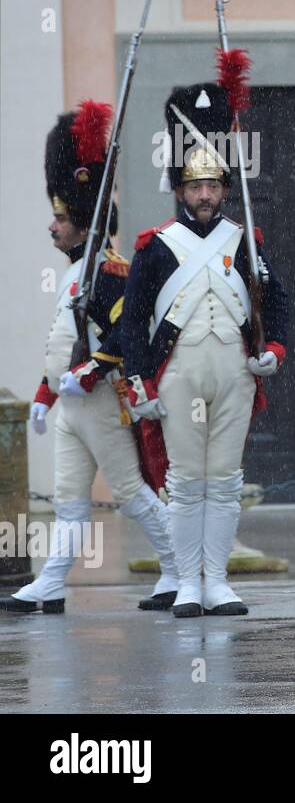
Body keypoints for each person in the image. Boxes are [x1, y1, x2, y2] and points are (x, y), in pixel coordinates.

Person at [118, 62, 289, 619]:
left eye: (213, 184)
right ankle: (187, 581)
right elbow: (133, 320)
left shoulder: (245, 240)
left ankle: (217, 581)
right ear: (182, 189)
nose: (206, 194)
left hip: (235, 375)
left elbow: (279, 302)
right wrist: (138, 379)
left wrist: (273, 350)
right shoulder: (155, 245)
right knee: (187, 483)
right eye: (196, 185)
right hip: (180, 374)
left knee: (227, 481)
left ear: (223, 187)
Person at [2, 102, 178, 615]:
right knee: (68, 500)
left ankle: (180, 567)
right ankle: (52, 583)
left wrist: (92, 369)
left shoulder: (111, 272)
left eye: (61, 218)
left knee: (130, 492)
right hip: (70, 406)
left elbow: (127, 333)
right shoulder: (72, 273)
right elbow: (62, 342)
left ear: (83, 223)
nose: (52, 227)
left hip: (100, 399)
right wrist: (43, 393)